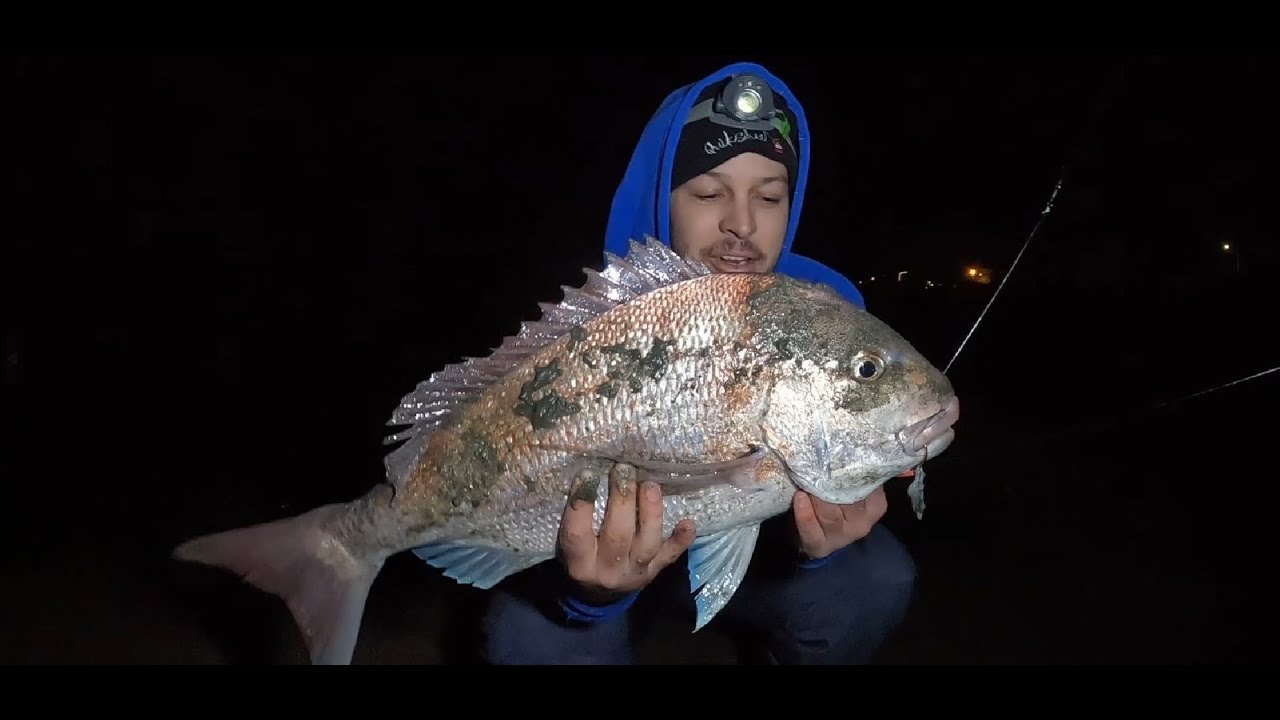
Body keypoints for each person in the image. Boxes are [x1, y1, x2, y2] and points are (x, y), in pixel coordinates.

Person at [480, 61, 917, 665]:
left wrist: (819, 538)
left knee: (877, 580)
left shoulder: (830, 318)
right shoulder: (597, 322)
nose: (742, 223)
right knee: (531, 636)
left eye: (769, 195)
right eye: (709, 192)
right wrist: (587, 597)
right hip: (603, 562)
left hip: (755, 559)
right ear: (663, 198)